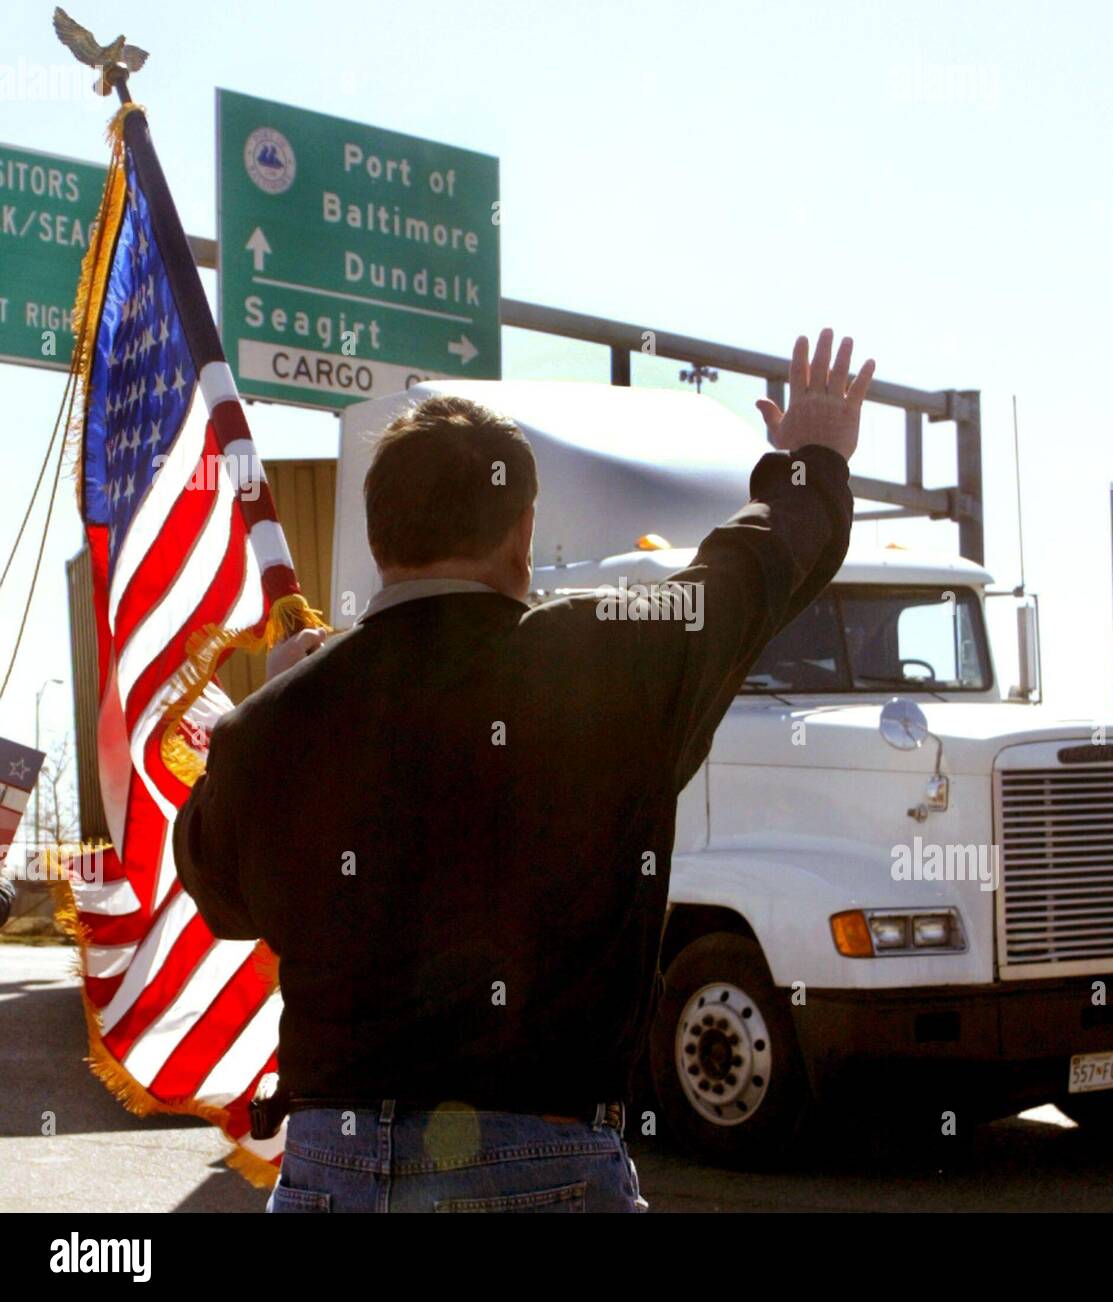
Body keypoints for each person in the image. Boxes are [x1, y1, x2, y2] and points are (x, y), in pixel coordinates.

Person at [174, 328, 874, 1213]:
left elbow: (218, 892)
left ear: (380, 536)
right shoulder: (612, 659)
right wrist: (811, 458)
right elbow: (759, 564)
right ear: (523, 530)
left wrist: (267, 709)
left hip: (325, 1172)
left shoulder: (275, 722)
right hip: (545, 1164)